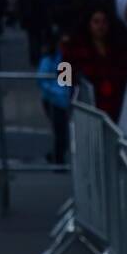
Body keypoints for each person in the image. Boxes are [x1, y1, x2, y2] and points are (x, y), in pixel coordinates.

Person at [60, 0, 127, 122]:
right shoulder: (75, 47)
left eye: (104, 22)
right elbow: (63, 76)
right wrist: (77, 80)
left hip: (115, 106)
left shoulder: (117, 47)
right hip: (88, 108)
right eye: (96, 22)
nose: (100, 26)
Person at [36, 27, 71, 165]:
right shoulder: (50, 59)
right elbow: (42, 80)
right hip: (52, 100)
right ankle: (58, 159)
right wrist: (55, 93)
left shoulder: (64, 59)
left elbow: (65, 81)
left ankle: (56, 155)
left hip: (61, 100)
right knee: (60, 131)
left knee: (62, 131)